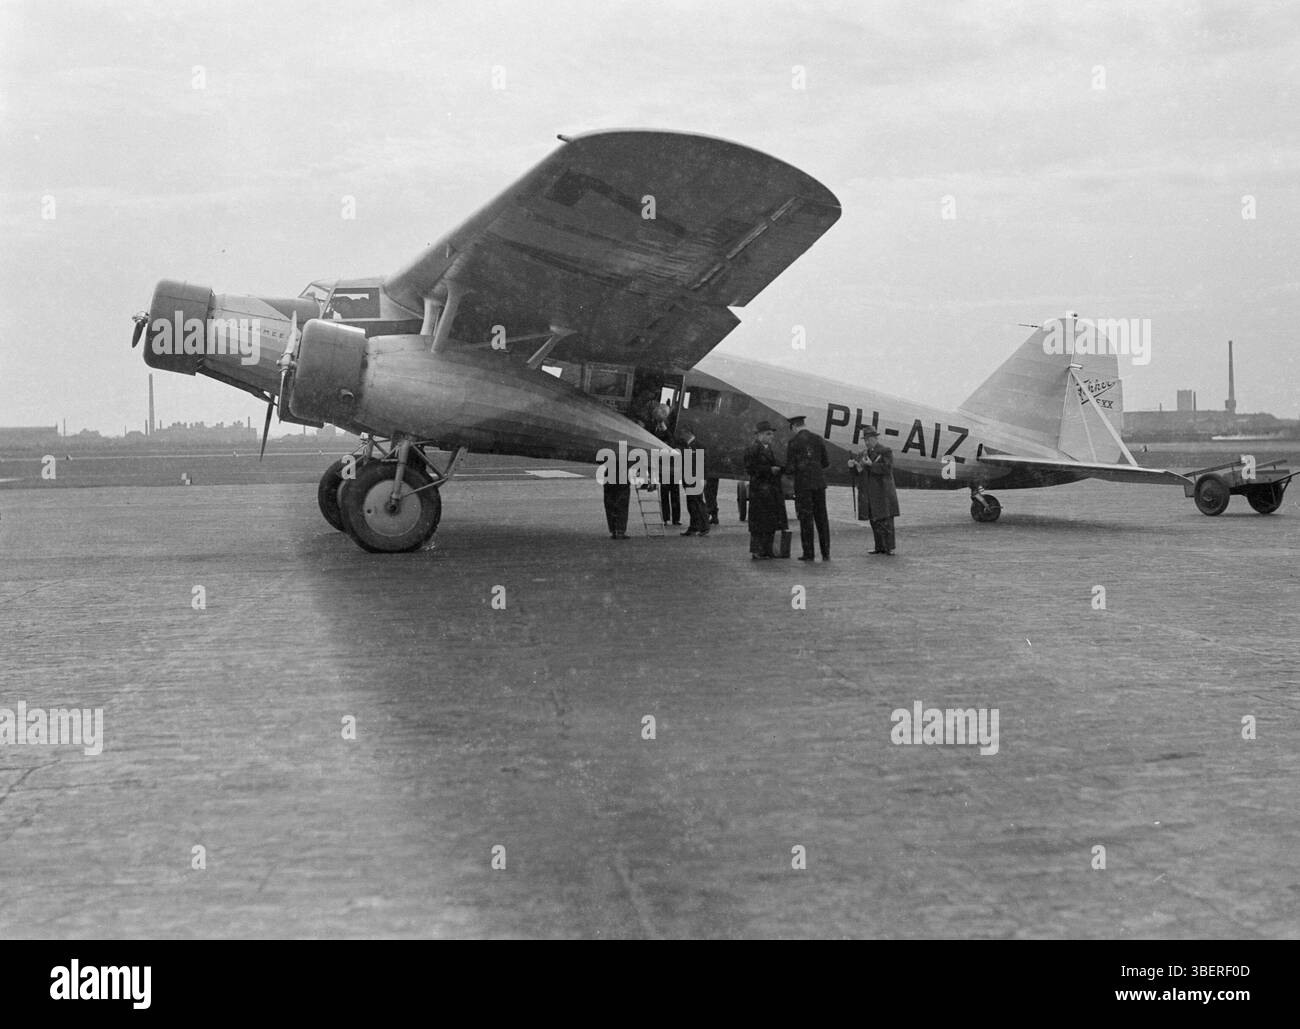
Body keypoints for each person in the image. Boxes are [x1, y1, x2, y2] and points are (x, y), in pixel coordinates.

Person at [784, 414, 830, 561]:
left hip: (803, 486)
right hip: (819, 484)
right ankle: (826, 552)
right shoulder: (818, 439)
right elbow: (826, 462)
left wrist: (785, 470)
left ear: (794, 426)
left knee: (806, 519)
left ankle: (808, 553)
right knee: (822, 519)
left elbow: (790, 468)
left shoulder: (793, 442)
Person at [852, 425, 899, 554]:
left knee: (886, 521)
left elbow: (887, 469)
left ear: (875, 438)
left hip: (882, 492)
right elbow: (859, 472)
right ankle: (879, 546)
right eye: (865, 440)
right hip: (869, 493)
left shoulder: (885, 451)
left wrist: (871, 465)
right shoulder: (862, 453)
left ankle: (889, 547)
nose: (867, 442)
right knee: (875, 521)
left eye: (869, 439)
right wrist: (854, 467)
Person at [743, 420, 784, 559]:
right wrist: (769, 470)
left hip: (767, 491)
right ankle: (758, 550)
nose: (771, 436)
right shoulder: (753, 449)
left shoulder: (767, 449)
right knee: (759, 523)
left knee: (768, 522)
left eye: (772, 434)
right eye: (768, 434)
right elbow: (750, 468)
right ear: (759, 435)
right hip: (760, 491)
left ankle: (767, 549)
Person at [649, 403, 681, 526]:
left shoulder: (669, 429)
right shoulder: (658, 429)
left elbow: (672, 442)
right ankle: (668, 518)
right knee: (667, 493)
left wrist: (665, 430)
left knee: (672, 493)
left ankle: (673, 518)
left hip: (671, 464)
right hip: (666, 465)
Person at [677, 424, 709, 536]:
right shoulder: (685, 445)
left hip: (696, 477)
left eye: (682, 433)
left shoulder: (699, 446)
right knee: (691, 503)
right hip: (688, 478)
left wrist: (704, 478)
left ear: (688, 433)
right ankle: (694, 526)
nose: (681, 435)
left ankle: (704, 526)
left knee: (698, 502)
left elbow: (704, 464)